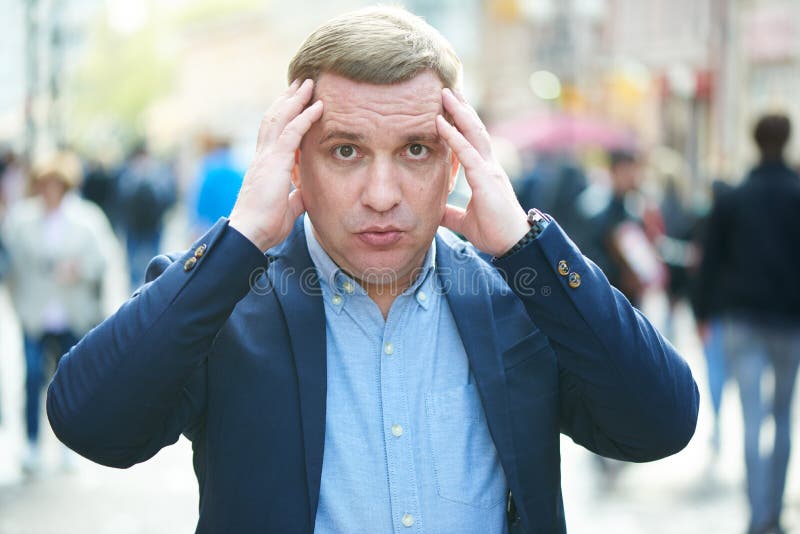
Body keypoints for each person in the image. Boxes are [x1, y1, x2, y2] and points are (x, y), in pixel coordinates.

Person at [47, 7, 698, 533]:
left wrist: (531, 251)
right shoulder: (225, 301)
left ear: (456, 162)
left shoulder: (519, 298)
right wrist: (241, 238)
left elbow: (661, 423)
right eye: (346, 150)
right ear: (295, 162)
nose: (381, 193)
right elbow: (92, 424)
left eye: (416, 149)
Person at [694, 114, 800, 534]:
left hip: (742, 319)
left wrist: (702, 312)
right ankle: (773, 510)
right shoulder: (797, 195)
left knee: (752, 418)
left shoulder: (735, 197)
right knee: (784, 416)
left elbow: (711, 261)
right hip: (789, 321)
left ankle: (757, 515)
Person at [2, 151, 115, 473]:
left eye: (55, 185)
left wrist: (78, 269)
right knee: (32, 377)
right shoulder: (21, 220)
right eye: (44, 185)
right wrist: (19, 304)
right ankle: (33, 443)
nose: (49, 191)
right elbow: (11, 266)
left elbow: (103, 260)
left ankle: (70, 445)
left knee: (71, 385)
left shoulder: (86, 218)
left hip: (72, 313)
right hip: (34, 314)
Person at [116, 142, 177, 288]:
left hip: (152, 226)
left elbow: (168, 197)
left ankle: (152, 288)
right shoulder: (128, 176)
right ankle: (136, 292)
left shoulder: (157, 175)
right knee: (133, 265)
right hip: (134, 227)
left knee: (156, 260)